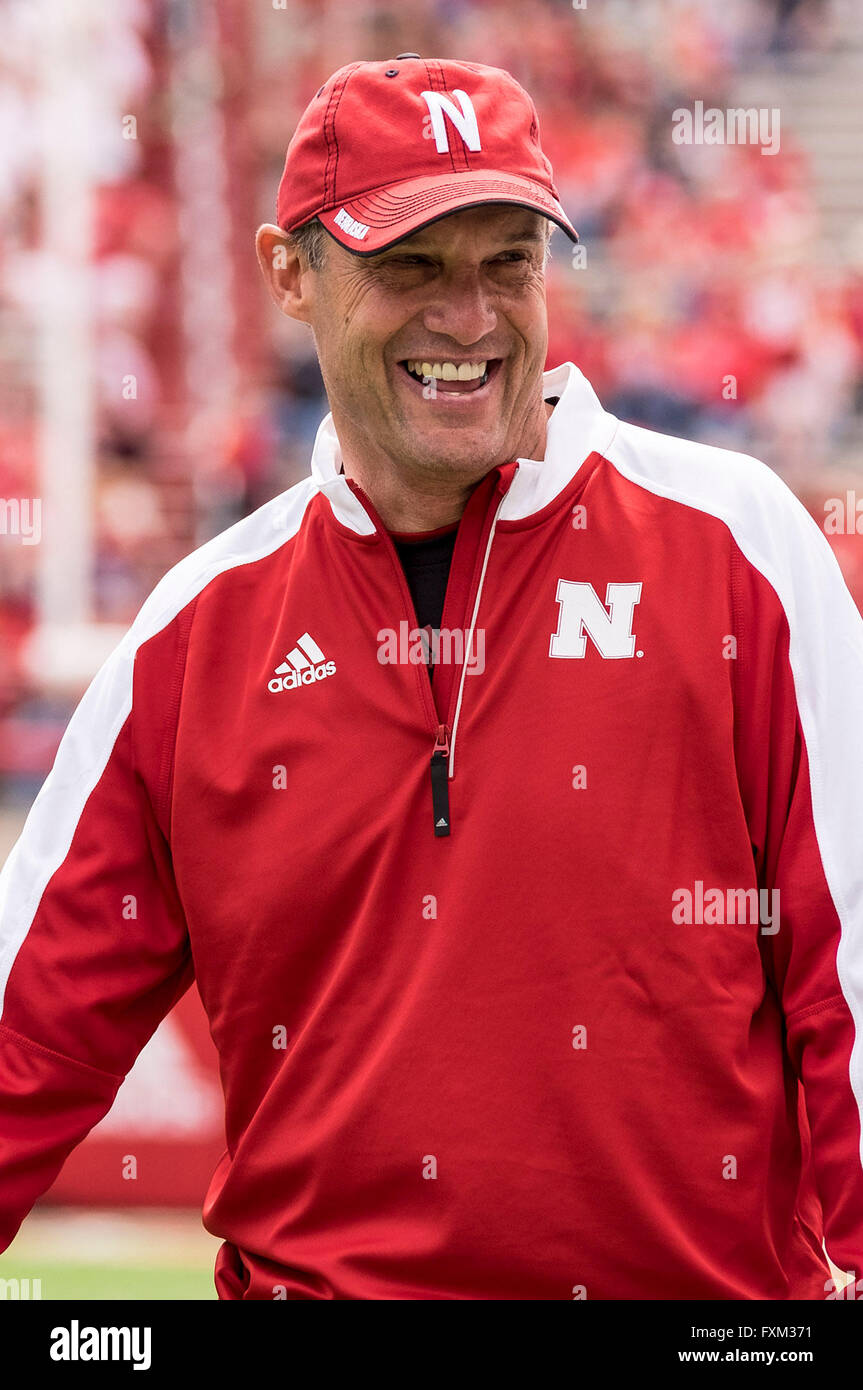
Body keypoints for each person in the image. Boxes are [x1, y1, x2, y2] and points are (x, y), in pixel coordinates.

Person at [1, 55, 861, 1302]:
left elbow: (853, 963)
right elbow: (27, 1038)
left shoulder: (739, 546)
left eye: (507, 260)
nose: (467, 315)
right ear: (287, 272)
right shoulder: (195, 635)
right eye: (409, 264)